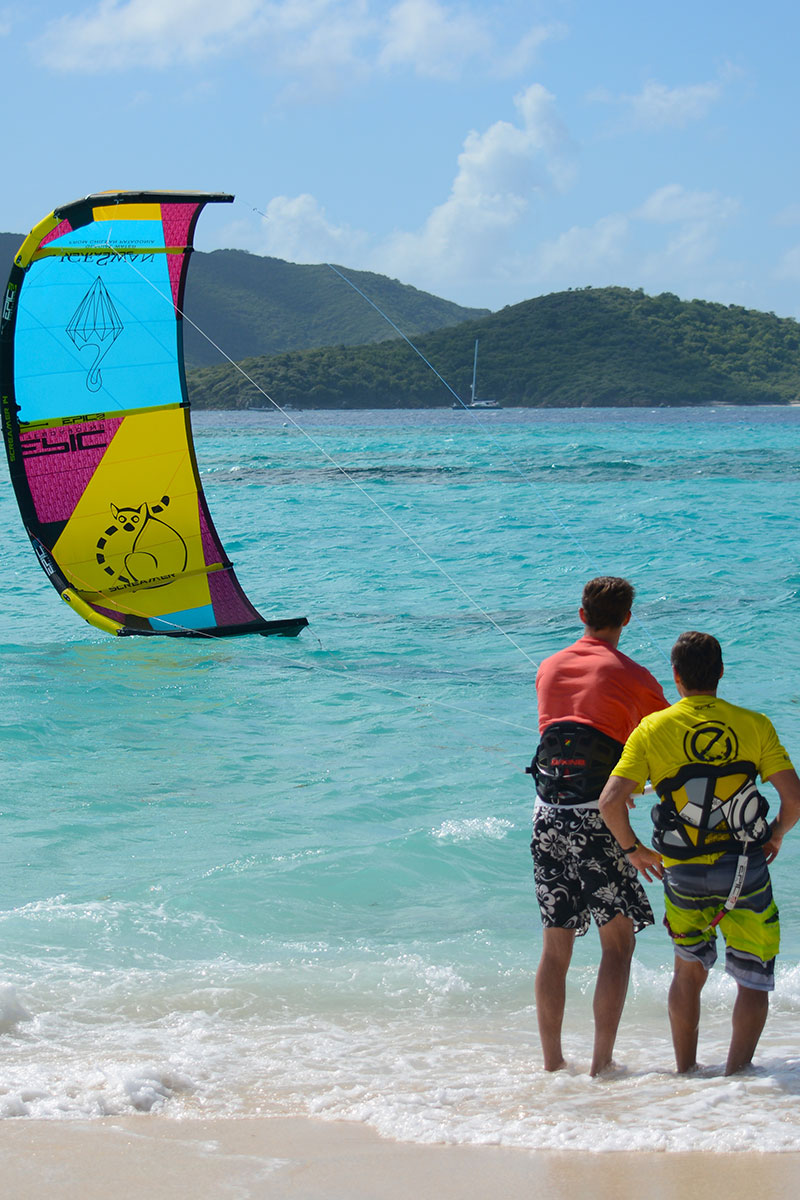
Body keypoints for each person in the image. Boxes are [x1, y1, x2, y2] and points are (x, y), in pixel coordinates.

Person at [599, 631, 800, 1075]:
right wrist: (777, 834)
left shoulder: (652, 729)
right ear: (721, 673)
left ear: (675, 676)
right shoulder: (755, 724)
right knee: (753, 979)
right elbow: (795, 798)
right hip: (744, 869)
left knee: (688, 971)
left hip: (683, 872)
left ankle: (686, 1073)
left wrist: (634, 850)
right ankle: (737, 1075)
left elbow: (610, 801)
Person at [529, 577, 668, 1075]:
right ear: (626, 619)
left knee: (556, 944)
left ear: (581, 612)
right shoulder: (633, 674)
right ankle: (601, 1064)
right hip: (598, 822)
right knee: (619, 943)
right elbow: (669, 740)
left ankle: (552, 1064)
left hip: (546, 817)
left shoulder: (548, 667)